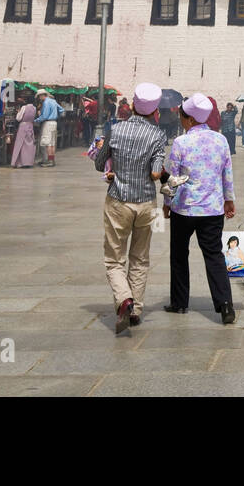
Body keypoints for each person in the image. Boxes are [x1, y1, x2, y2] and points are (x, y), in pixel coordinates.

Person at [163, 93, 237, 324]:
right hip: (212, 209)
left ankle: (179, 302)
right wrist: (229, 199)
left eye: (183, 117)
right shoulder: (221, 140)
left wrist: (166, 204)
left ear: (191, 120)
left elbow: (173, 178)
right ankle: (225, 305)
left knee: (179, 255)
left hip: (184, 209)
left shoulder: (181, 142)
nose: (181, 120)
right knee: (214, 255)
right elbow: (227, 173)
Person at [98, 82, 165, 334]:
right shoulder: (158, 135)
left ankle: (123, 299)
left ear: (134, 105)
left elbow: (98, 163)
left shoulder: (115, 130)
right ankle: (135, 310)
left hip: (118, 200)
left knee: (114, 258)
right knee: (140, 257)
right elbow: (156, 172)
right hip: (146, 203)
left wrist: (113, 170)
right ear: (155, 109)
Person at [34, 89, 60, 167]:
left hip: (48, 123)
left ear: (42, 95)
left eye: (39, 96)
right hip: (54, 122)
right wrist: (55, 115)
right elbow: (61, 109)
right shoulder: (54, 101)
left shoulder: (46, 102)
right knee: (52, 143)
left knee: (47, 142)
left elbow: (44, 116)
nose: (39, 98)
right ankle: (52, 160)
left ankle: (49, 161)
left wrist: (36, 120)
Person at [10, 99, 37, 168]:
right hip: (30, 126)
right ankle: (28, 162)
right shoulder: (34, 108)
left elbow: (18, 118)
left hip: (23, 126)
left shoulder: (24, 107)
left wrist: (18, 112)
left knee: (21, 145)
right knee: (29, 145)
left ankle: (20, 163)